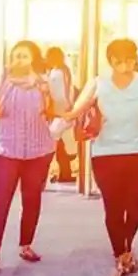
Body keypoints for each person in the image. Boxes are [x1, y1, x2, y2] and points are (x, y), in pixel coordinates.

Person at [65, 39, 138, 276]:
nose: (125, 65)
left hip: (137, 151)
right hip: (105, 154)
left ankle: (125, 251)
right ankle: (121, 256)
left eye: (130, 59)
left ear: (136, 59)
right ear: (110, 61)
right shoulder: (98, 83)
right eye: (119, 61)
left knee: (134, 209)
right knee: (113, 208)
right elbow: (75, 111)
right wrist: (55, 117)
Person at [0, 40, 56, 266]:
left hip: (38, 150)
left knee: (32, 198)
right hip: (6, 148)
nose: (19, 60)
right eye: (16, 55)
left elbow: (54, 109)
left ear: (33, 59)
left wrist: (46, 89)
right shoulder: (4, 80)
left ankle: (26, 245)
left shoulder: (43, 82)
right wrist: (0, 80)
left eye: (24, 56)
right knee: (0, 200)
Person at [46, 47, 77, 184]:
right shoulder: (64, 71)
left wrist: (57, 111)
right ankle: (65, 172)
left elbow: (58, 95)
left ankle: (62, 171)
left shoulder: (56, 73)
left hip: (60, 113)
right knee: (60, 144)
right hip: (64, 112)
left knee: (53, 142)